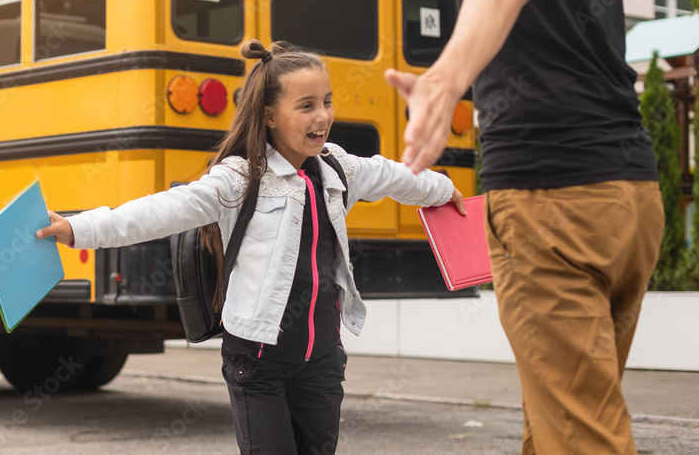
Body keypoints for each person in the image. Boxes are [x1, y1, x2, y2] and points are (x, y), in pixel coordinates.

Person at [388, 0, 664, 454]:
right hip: (626, 196)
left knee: (579, 435)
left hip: (552, 198)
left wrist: (444, 80)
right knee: (560, 421)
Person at [37, 40, 465, 454]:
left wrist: (444, 190)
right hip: (258, 361)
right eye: (306, 106)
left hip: (322, 361)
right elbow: (162, 210)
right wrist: (78, 229)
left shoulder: (337, 168)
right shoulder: (240, 178)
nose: (323, 116)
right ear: (270, 116)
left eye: (326, 101)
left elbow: (392, 175)